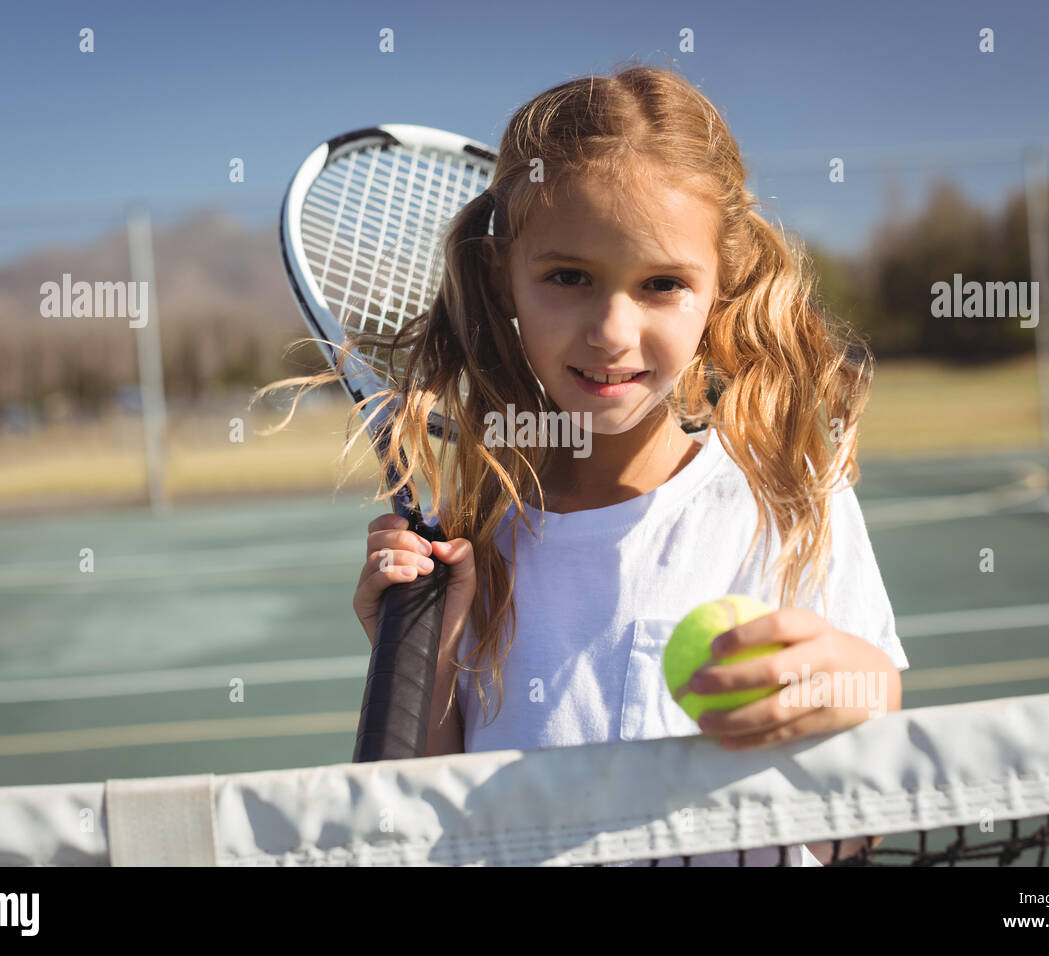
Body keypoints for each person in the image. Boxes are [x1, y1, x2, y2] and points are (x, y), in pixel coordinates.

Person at [345, 64, 908, 865]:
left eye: (662, 284)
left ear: (720, 289)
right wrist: (423, 654)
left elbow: (858, 825)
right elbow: (431, 830)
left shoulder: (793, 504)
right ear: (504, 277)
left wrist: (865, 691)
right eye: (568, 277)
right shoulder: (472, 549)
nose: (612, 329)